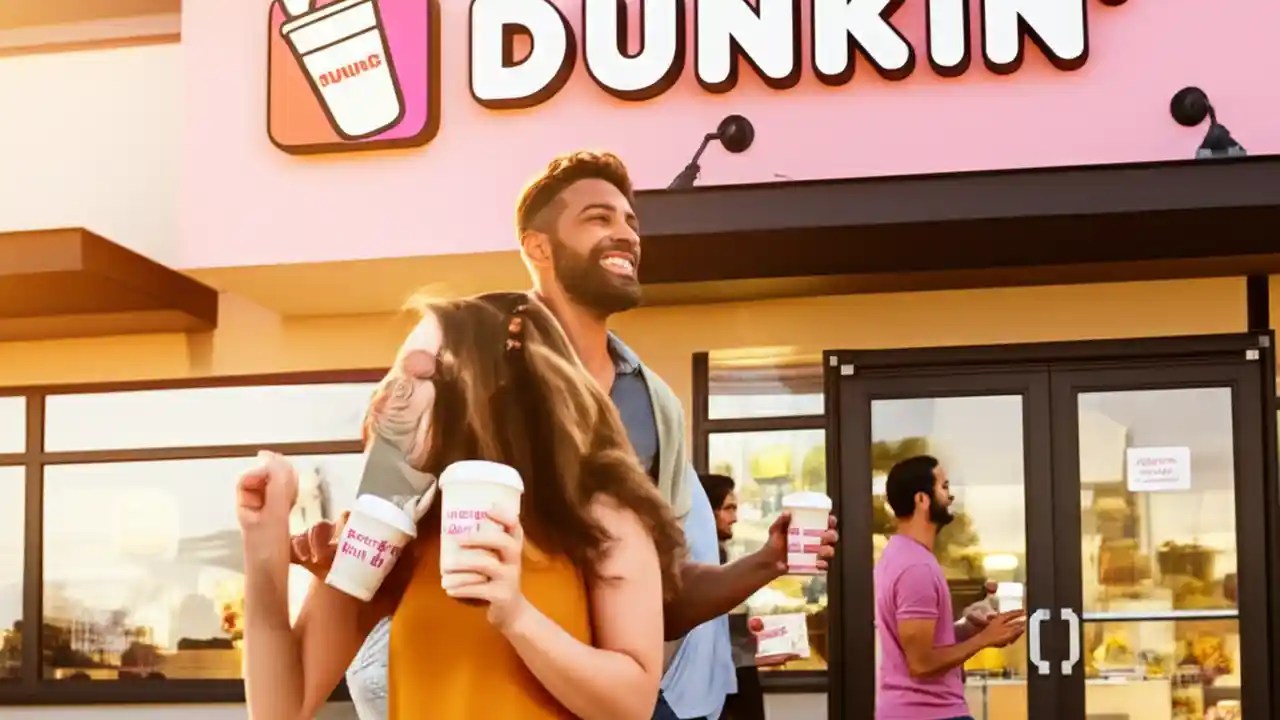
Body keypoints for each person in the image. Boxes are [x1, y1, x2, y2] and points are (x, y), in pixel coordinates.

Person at [288, 152, 840, 720]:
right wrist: (332, 555)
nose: (625, 235)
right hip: (443, 673)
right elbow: (384, 504)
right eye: (599, 219)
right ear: (538, 248)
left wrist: (764, 563)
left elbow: (658, 595)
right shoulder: (462, 348)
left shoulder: (652, 405)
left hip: (587, 691)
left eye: (631, 222)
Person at [237, 293, 686, 719]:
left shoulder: (601, 515)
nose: (390, 393)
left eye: (419, 374)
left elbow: (632, 705)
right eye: (394, 373)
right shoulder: (391, 528)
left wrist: (516, 616)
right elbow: (282, 707)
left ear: (490, 387)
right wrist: (263, 544)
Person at [875, 455, 1026, 720]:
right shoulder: (916, 568)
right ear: (922, 499)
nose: (950, 496)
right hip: (930, 714)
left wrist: (967, 628)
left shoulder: (901, 555)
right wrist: (985, 639)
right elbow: (920, 663)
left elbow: (921, 645)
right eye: (944, 487)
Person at [699, 473, 765, 720]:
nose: (735, 518)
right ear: (708, 510)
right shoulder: (706, 557)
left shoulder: (715, 551)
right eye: (728, 508)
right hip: (731, 674)